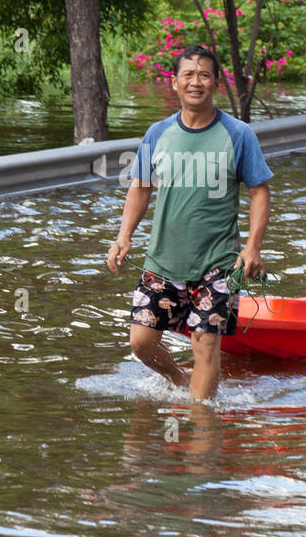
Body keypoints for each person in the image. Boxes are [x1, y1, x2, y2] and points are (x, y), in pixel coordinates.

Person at [106, 44, 272, 400]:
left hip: (218, 263)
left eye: (204, 75)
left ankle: (202, 432)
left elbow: (259, 191)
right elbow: (140, 187)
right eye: (188, 75)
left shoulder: (238, 134)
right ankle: (181, 380)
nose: (196, 82)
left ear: (215, 82)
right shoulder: (157, 133)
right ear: (175, 83)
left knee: (204, 343)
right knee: (141, 341)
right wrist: (123, 236)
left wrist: (252, 248)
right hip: (163, 260)